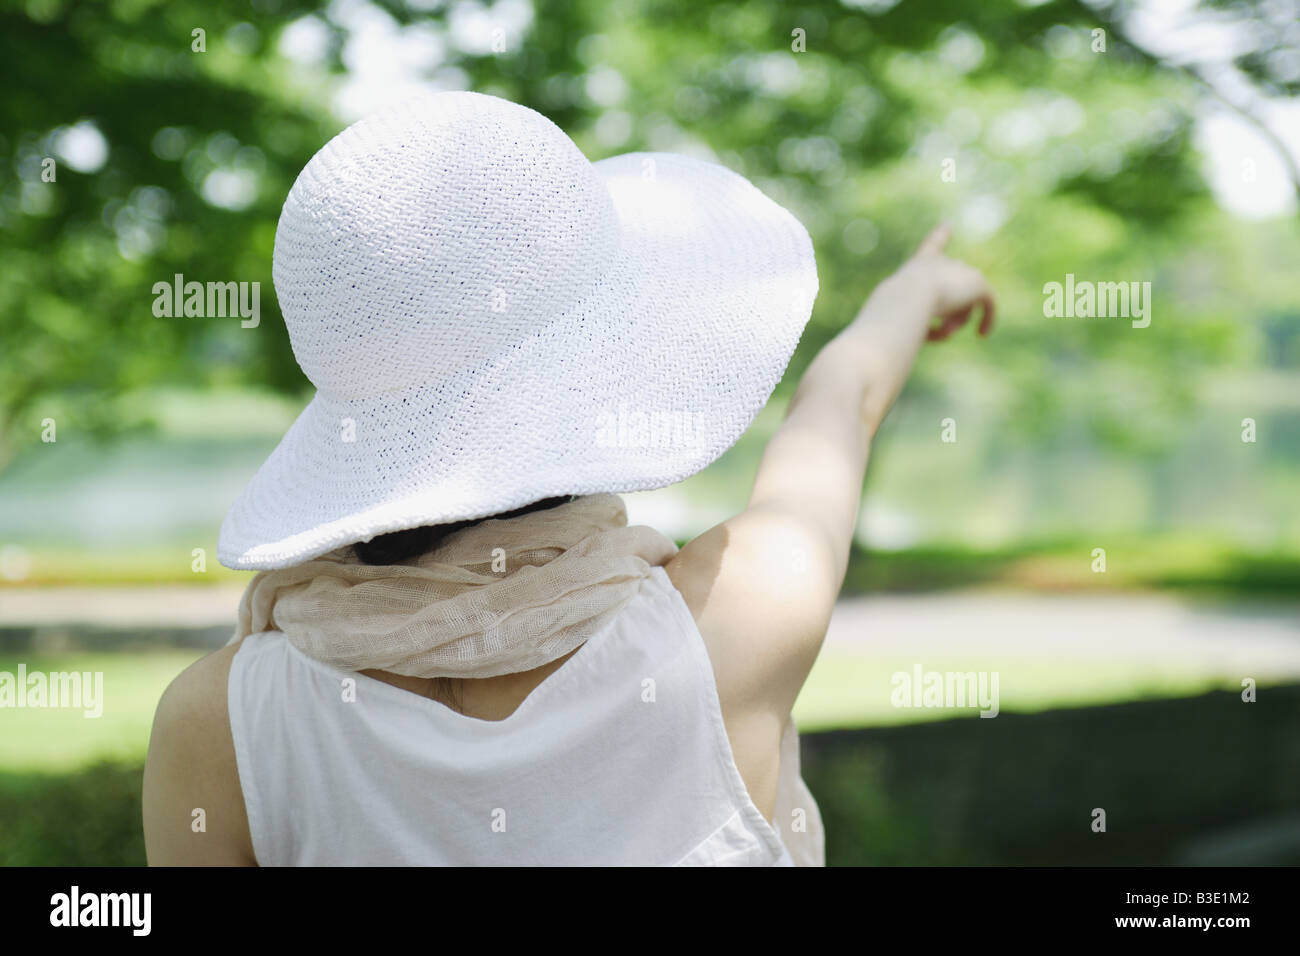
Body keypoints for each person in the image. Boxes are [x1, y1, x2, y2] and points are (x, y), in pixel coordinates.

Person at [142, 91, 994, 866]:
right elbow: (838, 408)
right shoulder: (734, 620)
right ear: (603, 374)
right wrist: (915, 290)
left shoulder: (219, 723)